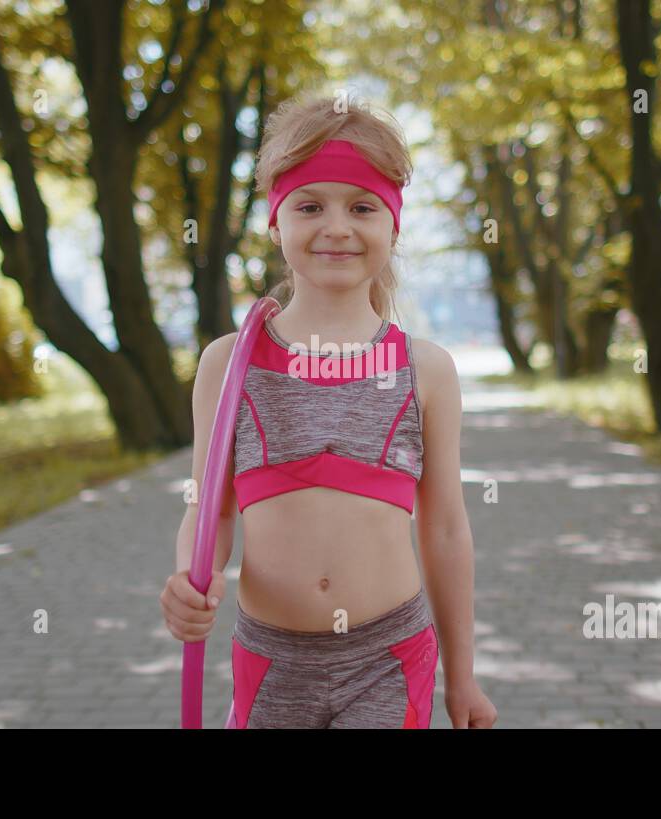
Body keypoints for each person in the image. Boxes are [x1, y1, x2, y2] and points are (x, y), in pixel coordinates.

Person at [160, 92, 496, 729]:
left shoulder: (424, 371)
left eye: (362, 207)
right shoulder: (229, 365)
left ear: (392, 226)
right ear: (275, 223)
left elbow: (447, 530)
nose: (337, 227)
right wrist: (189, 578)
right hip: (272, 662)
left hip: (389, 657)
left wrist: (464, 679)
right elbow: (210, 509)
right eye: (310, 206)